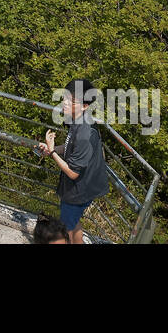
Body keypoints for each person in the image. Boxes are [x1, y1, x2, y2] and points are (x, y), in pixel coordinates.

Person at [37, 78, 108, 244]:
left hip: (79, 190)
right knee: (73, 222)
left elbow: (73, 173)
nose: (65, 103)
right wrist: (52, 150)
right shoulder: (75, 118)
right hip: (80, 185)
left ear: (85, 106)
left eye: (71, 101)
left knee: (63, 230)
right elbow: (70, 145)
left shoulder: (85, 134)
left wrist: (53, 151)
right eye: (65, 98)